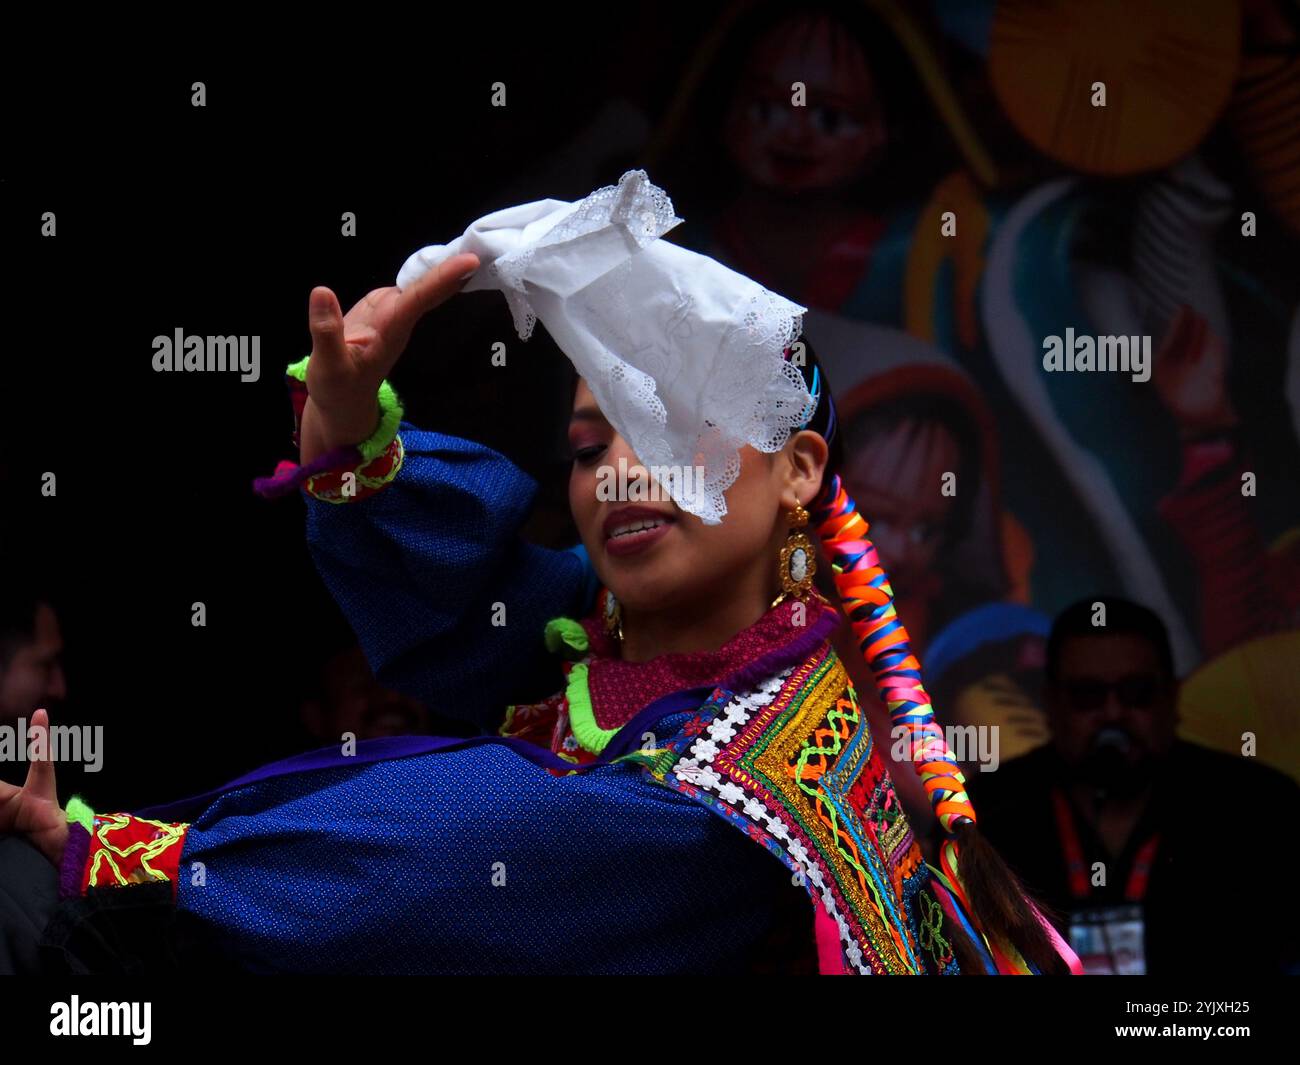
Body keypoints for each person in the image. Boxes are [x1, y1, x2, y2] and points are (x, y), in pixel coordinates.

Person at [1, 171, 1076, 975]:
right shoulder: (594, 638)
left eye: (668, 425)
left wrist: (145, 860)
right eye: (588, 443)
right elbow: (469, 586)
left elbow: (455, 852)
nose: (617, 472)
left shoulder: (755, 784)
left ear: (797, 471)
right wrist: (347, 422)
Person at [966, 595, 1300, 974]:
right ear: (1052, 704)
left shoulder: (1261, 805)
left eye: (1136, 693)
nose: (1113, 713)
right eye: (1088, 696)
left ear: (1172, 698)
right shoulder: (989, 813)